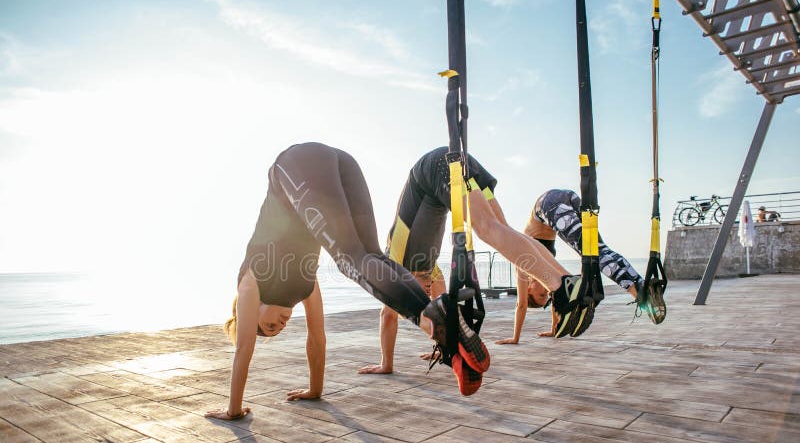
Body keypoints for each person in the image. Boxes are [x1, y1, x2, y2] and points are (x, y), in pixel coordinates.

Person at [205, 143, 491, 422]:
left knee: (350, 260)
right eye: (279, 329)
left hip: (294, 167)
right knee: (371, 256)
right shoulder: (304, 285)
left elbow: (243, 349)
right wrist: (314, 391)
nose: (280, 324)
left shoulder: (249, 280)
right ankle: (440, 323)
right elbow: (316, 339)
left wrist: (234, 409)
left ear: (250, 311)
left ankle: (434, 322)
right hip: (343, 164)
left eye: (269, 325)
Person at [358, 148, 593, 376]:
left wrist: (386, 364)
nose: (425, 296)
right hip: (459, 167)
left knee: (486, 228)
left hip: (436, 167)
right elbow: (443, 307)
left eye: (416, 298)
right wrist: (445, 345)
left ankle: (560, 286)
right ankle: (569, 280)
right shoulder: (429, 269)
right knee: (500, 230)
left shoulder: (394, 262)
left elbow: (387, 316)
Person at [495, 188, 665, 345]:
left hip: (547, 204)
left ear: (529, 289)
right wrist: (555, 328)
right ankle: (641, 283)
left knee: (590, 252)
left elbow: (521, 304)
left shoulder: (522, 266)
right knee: (598, 249)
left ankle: (639, 294)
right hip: (567, 198)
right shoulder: (546, 272)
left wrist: (515, 337)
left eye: (540, 293)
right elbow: (557, 296)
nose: (546, 292)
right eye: (545, 296)